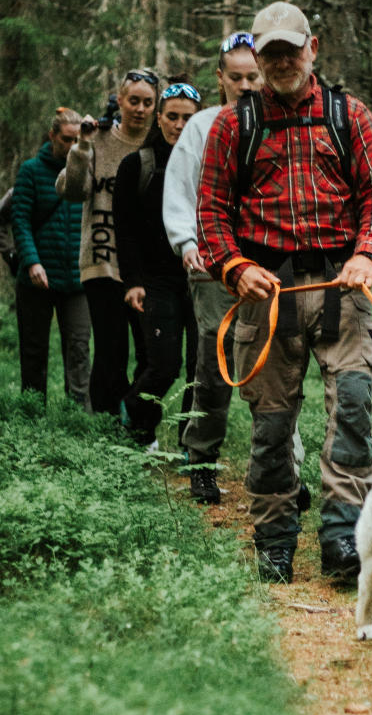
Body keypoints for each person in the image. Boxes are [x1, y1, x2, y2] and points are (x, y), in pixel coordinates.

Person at [197, 2, 372, 584]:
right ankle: (275, 538)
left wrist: (366, 253)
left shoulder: (349, 115)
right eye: (271, 53)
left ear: (314, 47)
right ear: (258, 58)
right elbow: (211, 213)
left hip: (342, 287)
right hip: (266, 294)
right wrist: (235, 267)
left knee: (353, 409)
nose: (283, 61)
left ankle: (342, 535)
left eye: (292, 50)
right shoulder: (233, 125)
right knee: (271, 426)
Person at [163, 32, 262, 502]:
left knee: (273, 367)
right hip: (214, 265)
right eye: (236, 77)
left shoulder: (277, 122)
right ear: (220, 78)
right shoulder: (202, 126)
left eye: (253, 76)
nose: (245, 85)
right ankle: (202, 460)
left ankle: (279, 467)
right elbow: (180, 188)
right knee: (215, 365)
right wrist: (186, 243)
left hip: (267, 263)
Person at [56, 69, 159, 415]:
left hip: (146, 267)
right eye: (134, 100)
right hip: (102, 261)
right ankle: (106, 424)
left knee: (150, 352)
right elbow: (71, 191)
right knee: (111, 352)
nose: (140, 109)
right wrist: (82, 146)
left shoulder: (158, 144)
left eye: (148, 102)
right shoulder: (98, 139)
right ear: (120, 99)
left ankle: (137, 420)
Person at [113, 80, 201, 448]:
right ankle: (138, 425)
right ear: (159, 118)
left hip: (200, 277)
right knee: (164, 365)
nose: (179, 125)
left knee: (200, 368)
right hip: (155, 281)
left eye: (188, 118)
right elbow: (125, 231)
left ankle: (192, 446)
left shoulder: (208, 164)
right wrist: (133, 281)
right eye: (173, 116)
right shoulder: (137, 165)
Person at [10, 107, 90, 409]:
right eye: (66, 139)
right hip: (37, 277)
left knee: (79, 347)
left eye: (76, 140)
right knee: (34, 350)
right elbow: (20, 220)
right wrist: (32, 262)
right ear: (52, 136)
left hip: (77, 278)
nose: (71, 146)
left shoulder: (88, 168)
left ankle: (78, 414)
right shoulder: (31, 170)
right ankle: (32, 412)